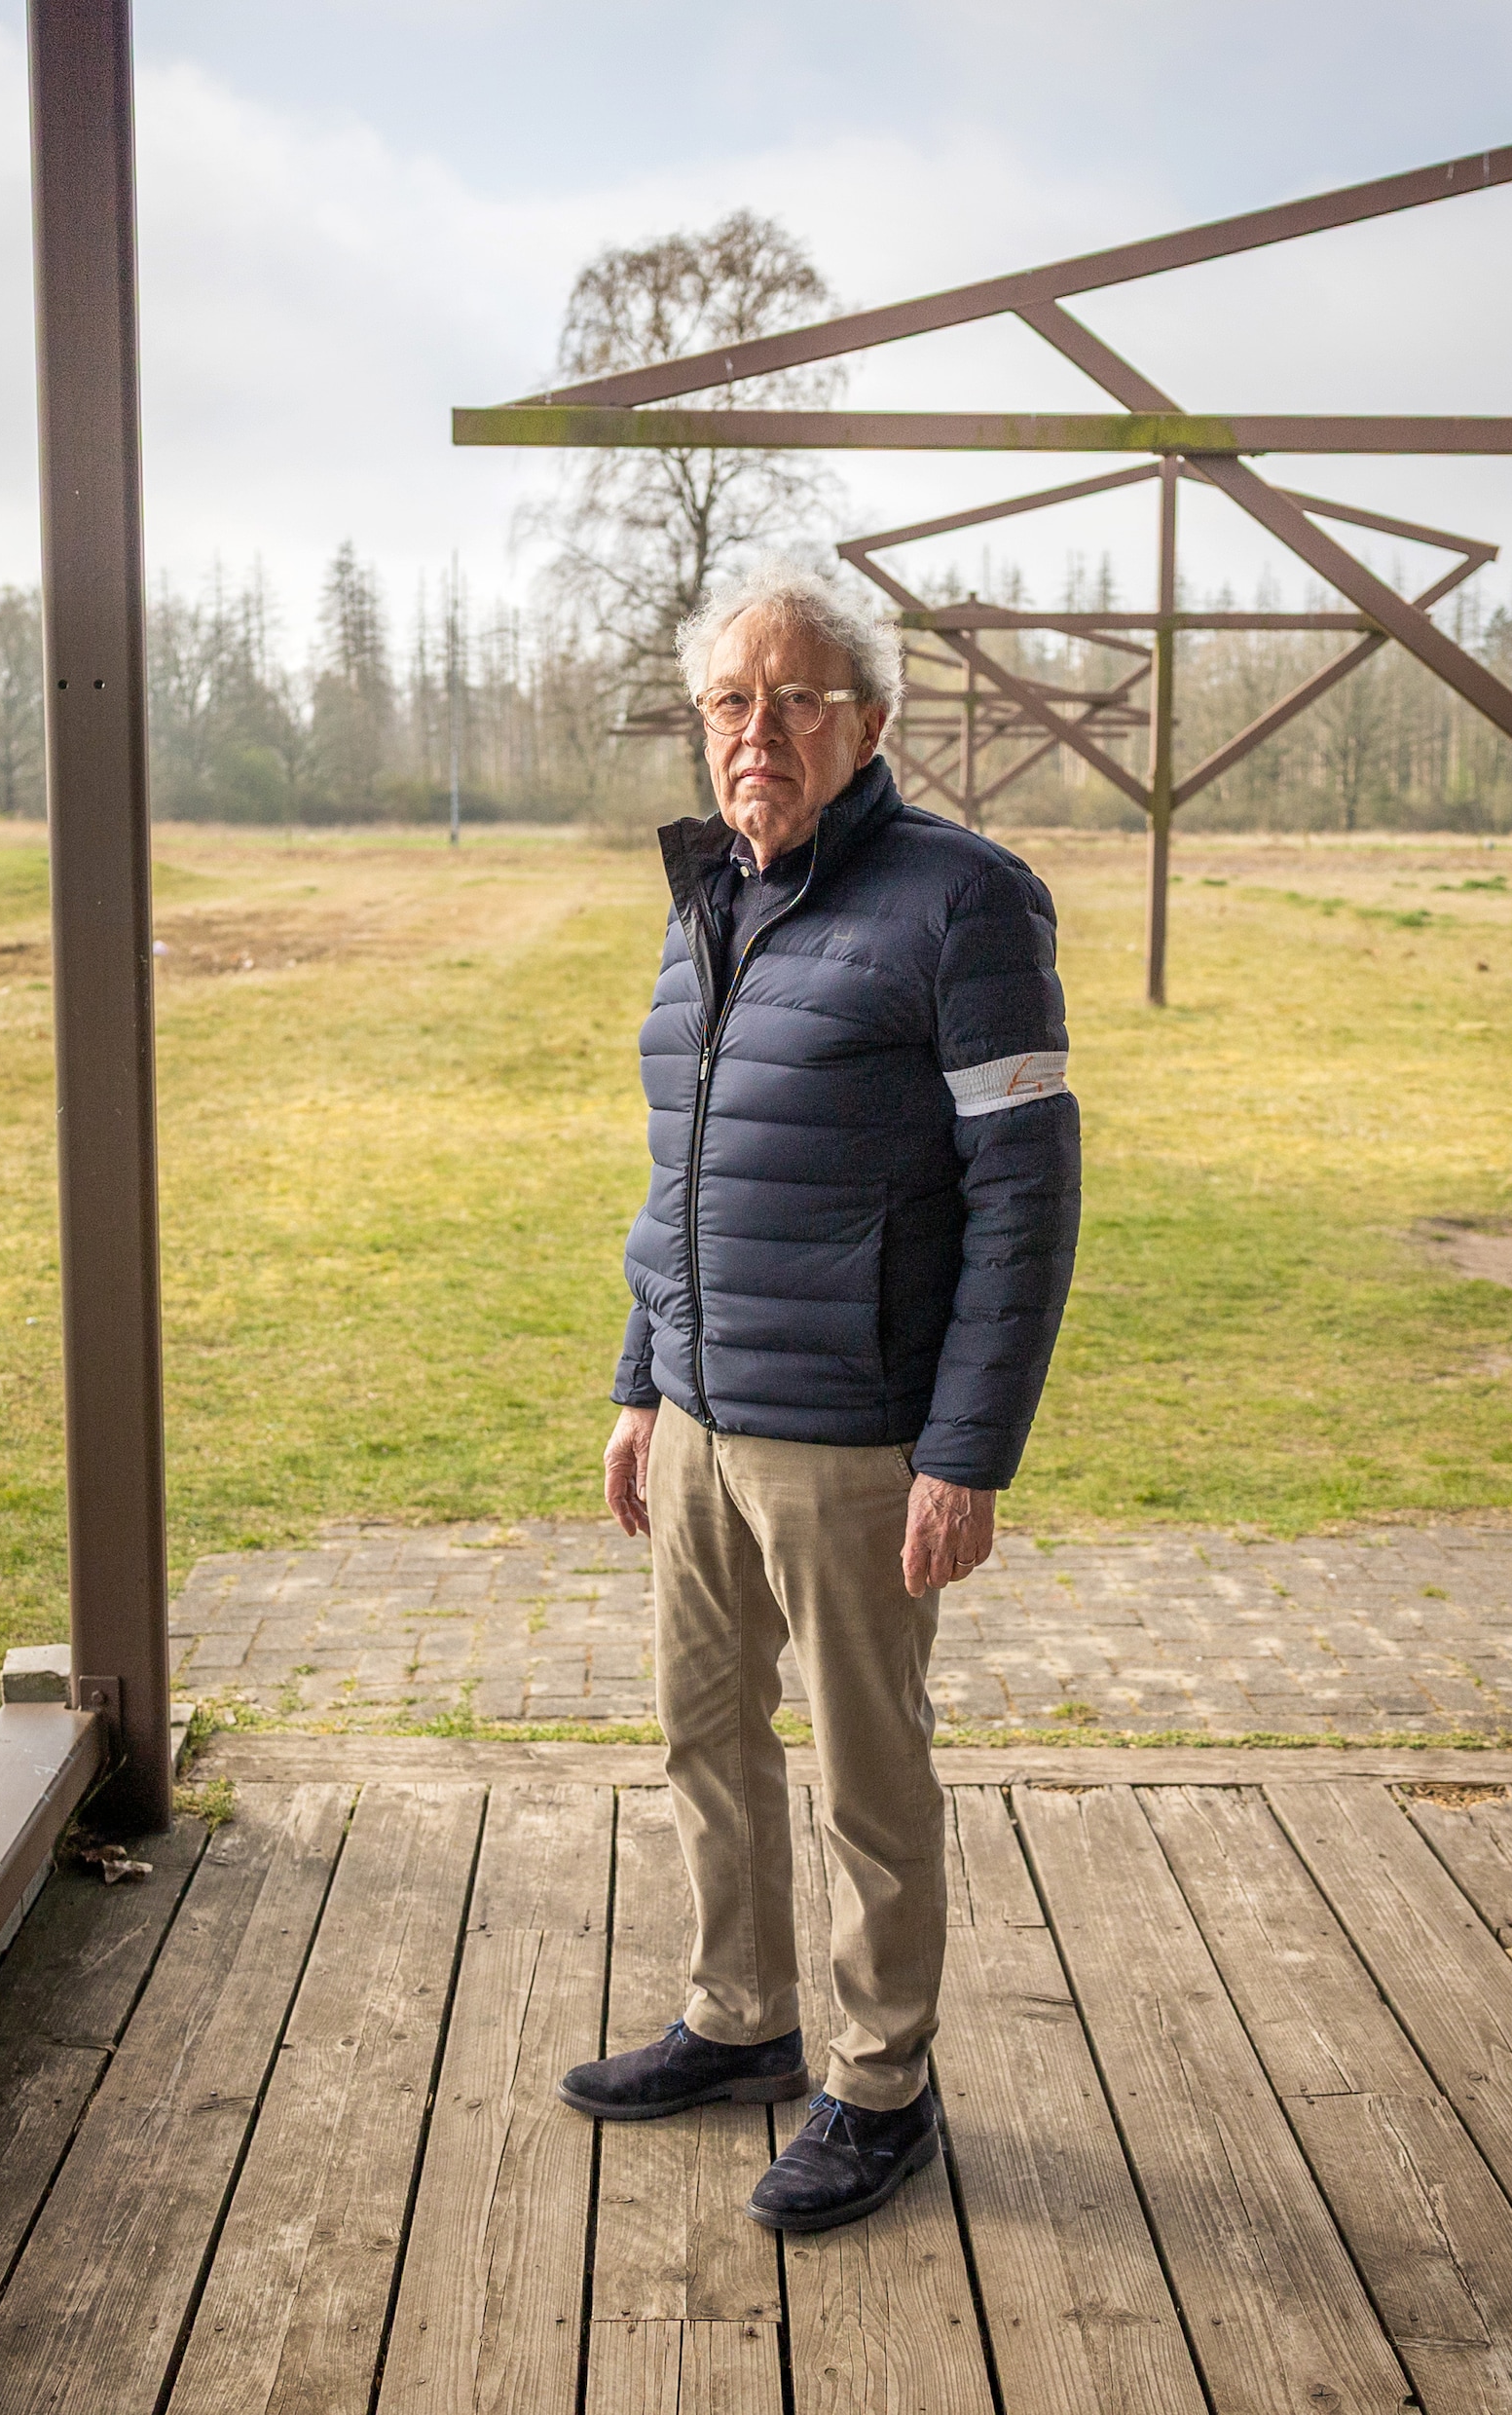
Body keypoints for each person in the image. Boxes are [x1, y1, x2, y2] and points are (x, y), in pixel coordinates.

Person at [557, 558, 1081, 2234]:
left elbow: (1026, 1195)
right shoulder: (707, 894)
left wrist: (966, 1452)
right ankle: (741, 2021)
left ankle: (880, 2084)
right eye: (731, 701)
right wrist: (643, 1382)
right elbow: (684, 1175)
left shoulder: (966, 901)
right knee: (705, 1740)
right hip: (700, 1423)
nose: (757, 732)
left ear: (871, 720)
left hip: (857, 1441)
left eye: (796, 700)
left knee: (869, 1782)